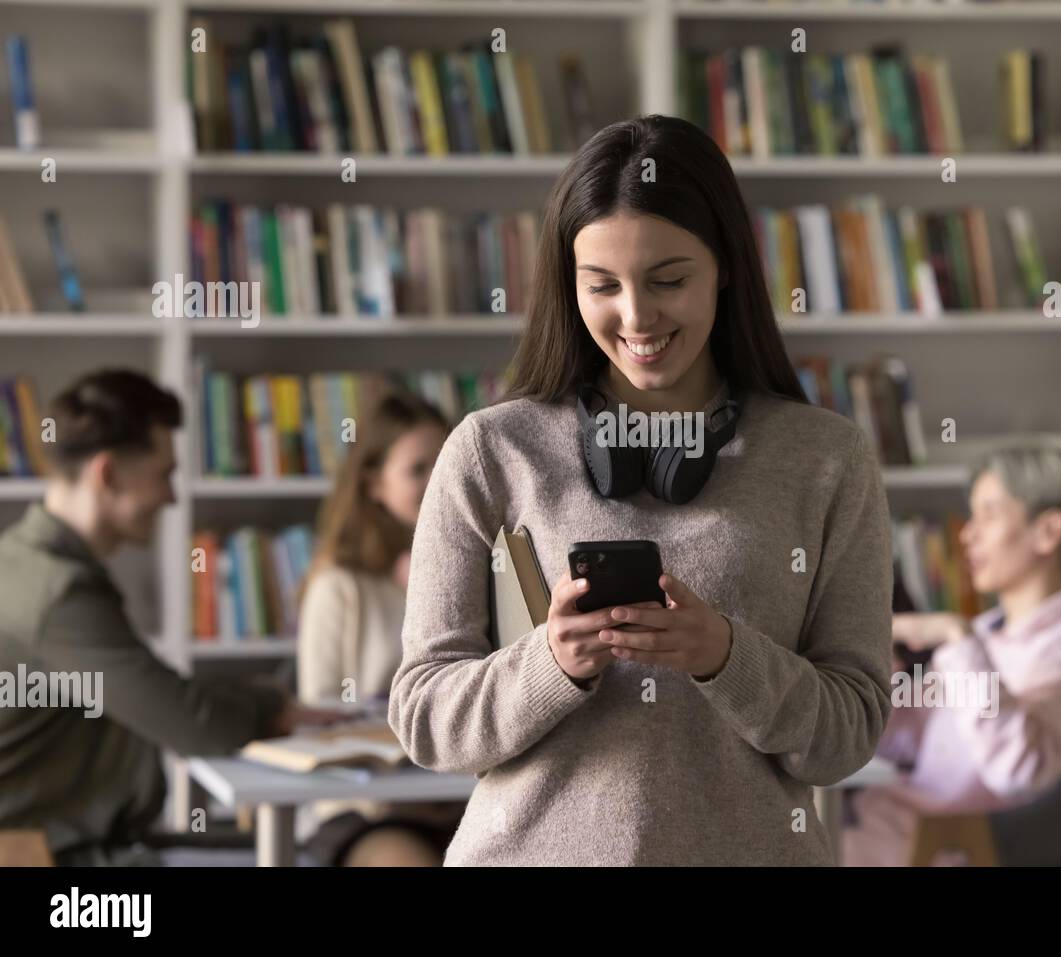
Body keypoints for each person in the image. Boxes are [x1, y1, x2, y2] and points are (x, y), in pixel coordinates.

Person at [388, 114, 895, 866]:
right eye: (602, 285)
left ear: (725, 265)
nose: (636, 316)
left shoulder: (827, 458)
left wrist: (727, 655)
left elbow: (849, 730)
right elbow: (425, 717)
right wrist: (550, 663)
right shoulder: (492, 450)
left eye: (669, 280)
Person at [0, 369, 335, 866]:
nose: (172, 496)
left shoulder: (24, 558)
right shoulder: (59, 595)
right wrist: (273, 701)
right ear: (107, 474)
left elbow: (163, 695)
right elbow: (192, 723)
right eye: (163, 474)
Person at [840, 446, 1061, 866]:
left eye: (988, 514)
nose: (967, 534)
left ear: (1048, 532)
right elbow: (906, 741)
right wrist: (877, 657)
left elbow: (1016, 769)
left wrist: (955, 636)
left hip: (938, 848)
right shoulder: (989, 637)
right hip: (883, 833)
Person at [296, 389, 461, 867]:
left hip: (464, 796)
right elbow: (320, 725)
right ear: (374, 485)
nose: (438, 483)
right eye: (417, 469)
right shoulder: (340, 588)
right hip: (364, 809)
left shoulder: (485, 569)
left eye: (445, 463)